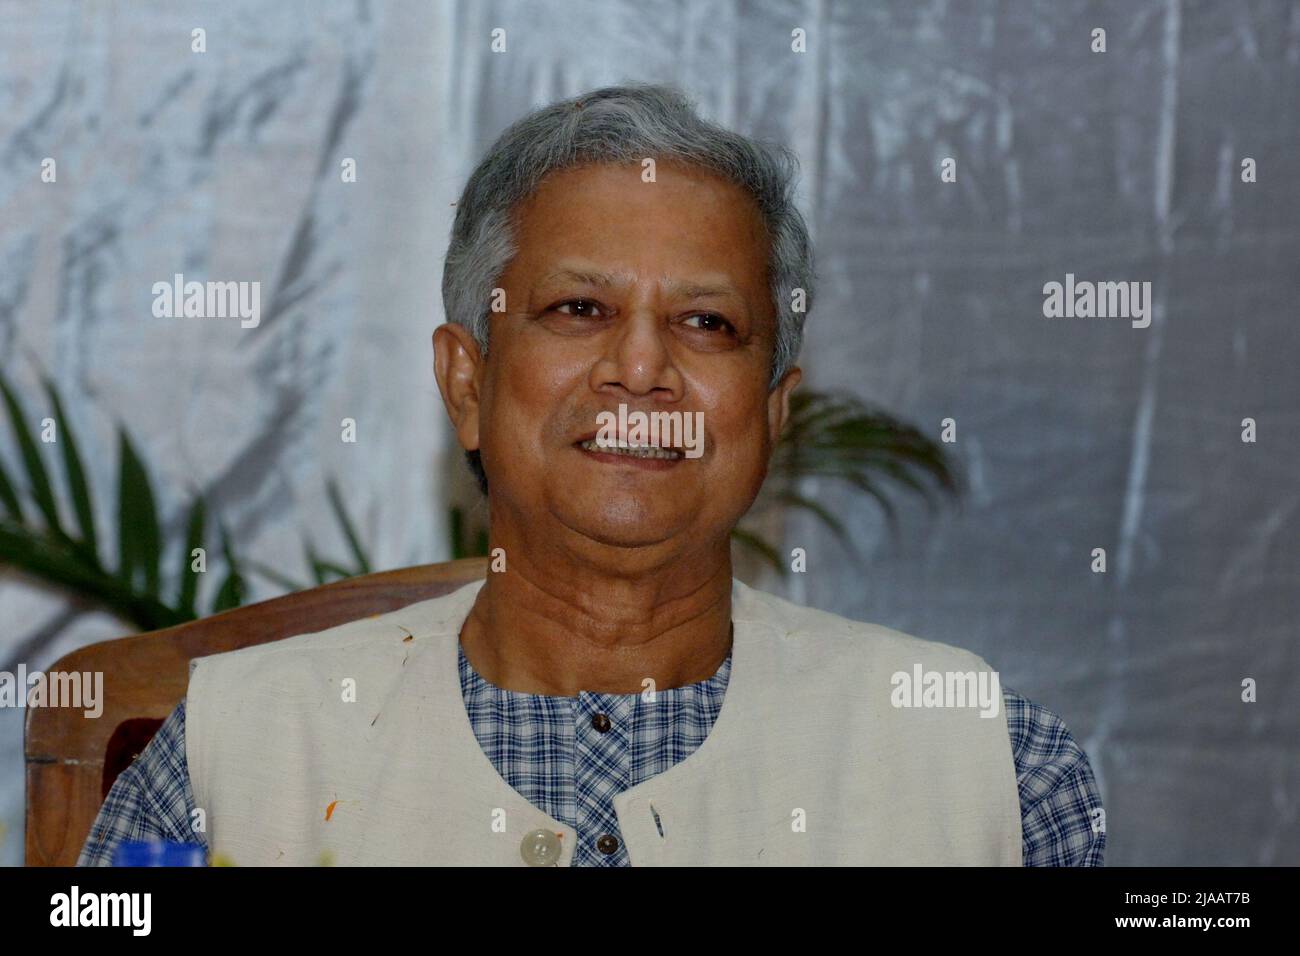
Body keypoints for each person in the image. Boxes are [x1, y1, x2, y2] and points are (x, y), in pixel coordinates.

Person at [80, 84, 1103, 867]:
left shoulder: (992, 769)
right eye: (579, 310)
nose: (642, 369)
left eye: (707, 323)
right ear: (468, 379)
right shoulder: (227, 758)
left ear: (772, 411)